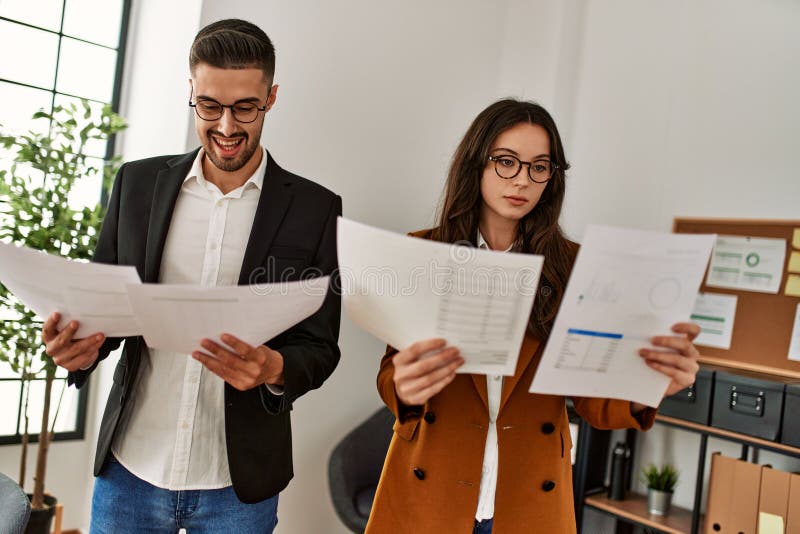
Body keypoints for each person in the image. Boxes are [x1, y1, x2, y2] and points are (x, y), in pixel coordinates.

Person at [41, 19, 342, 533]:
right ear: (191, 93)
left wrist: (273, 368)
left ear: (271, 98)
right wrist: (81, 348)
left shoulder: (315, 209)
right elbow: (107, 310)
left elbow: (320, 346)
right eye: (209, 106)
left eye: (245, 107)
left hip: (238, 483)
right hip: (130, 467)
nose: (226, 127)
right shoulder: (136, 184)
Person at [364, 99, 700, 534]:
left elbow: (593, 399)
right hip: (432, 487)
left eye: (539, 167)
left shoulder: (574, 266)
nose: (522, 180)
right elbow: (390, 374)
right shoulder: (425, 251)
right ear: (475, 163)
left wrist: (649, 387)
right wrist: (405, 387)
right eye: (506, 162)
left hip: (528, 495)